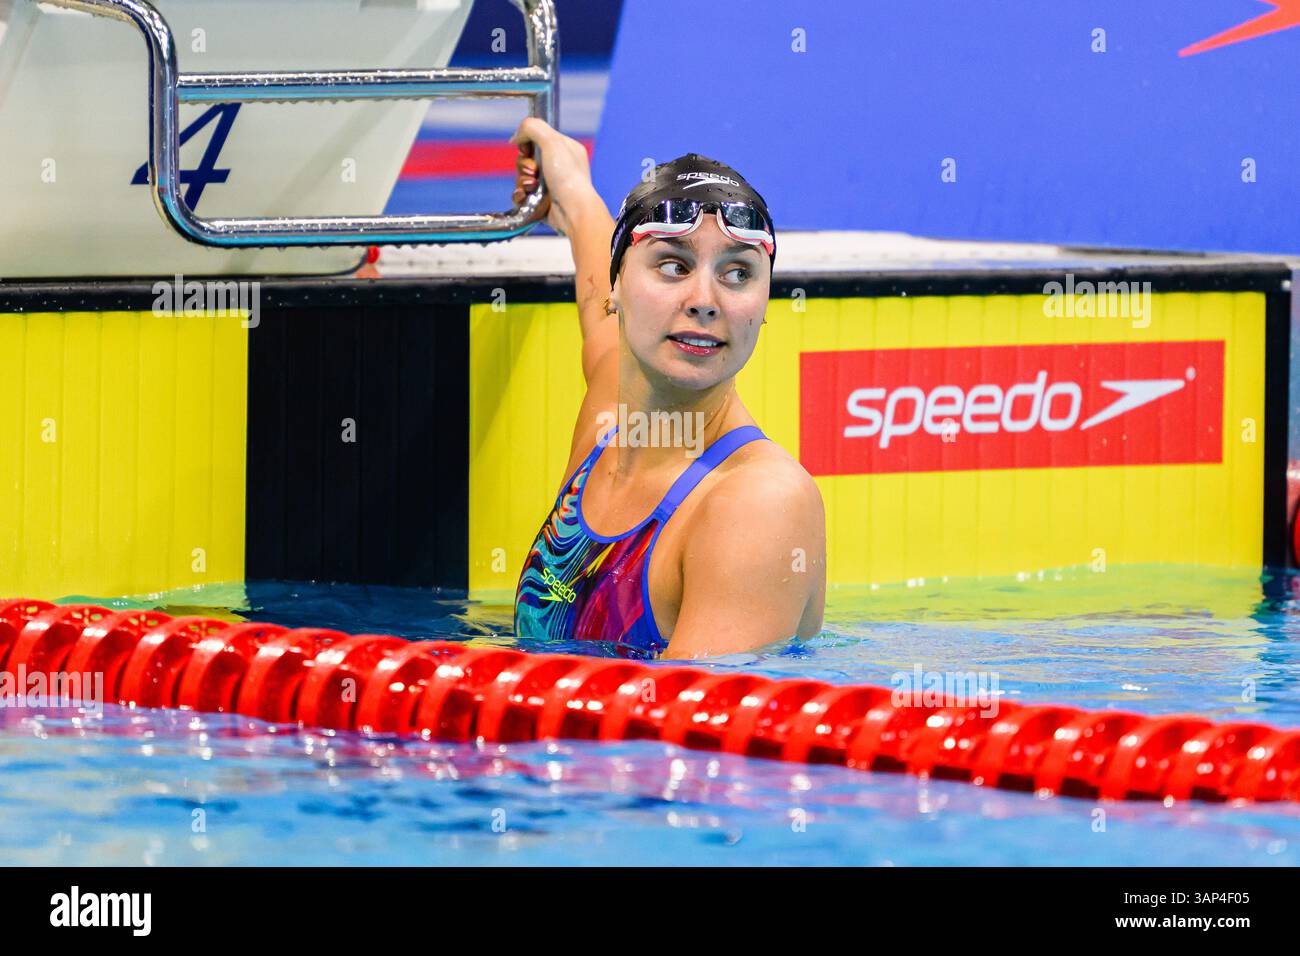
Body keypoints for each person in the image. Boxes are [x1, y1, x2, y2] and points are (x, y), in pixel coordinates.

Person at [509, 117, 825, 659]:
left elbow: (689, 740)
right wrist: (575, 194)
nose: (706, 300)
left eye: (738, 274)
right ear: (617, 289)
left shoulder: (756, 504)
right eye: (674, 265)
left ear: (764, 306)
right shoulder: (607, 422)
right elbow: (595, 289)